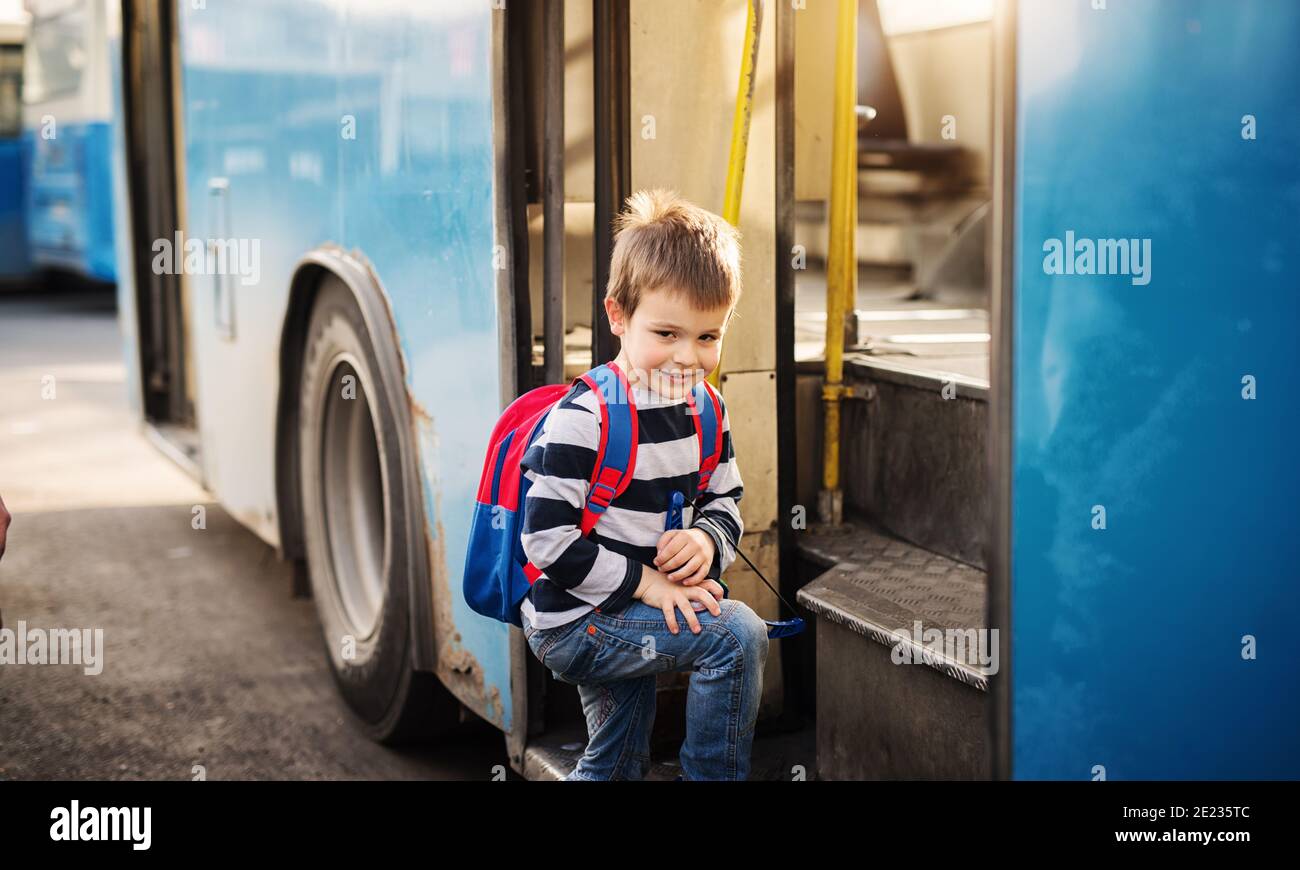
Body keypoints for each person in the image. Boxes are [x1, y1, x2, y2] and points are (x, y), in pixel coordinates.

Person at [519, 188, 769, 781]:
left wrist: (708, 541)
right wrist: (650, 584)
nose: (688, 357)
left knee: (616, 767)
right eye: (666, 334)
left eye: (707, 337)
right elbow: (545, 541)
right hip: (575, 620)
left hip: (625, 612)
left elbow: (724, 498)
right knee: (734, 637)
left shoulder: (707, 411)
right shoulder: (588, 418)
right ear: (617, 316)